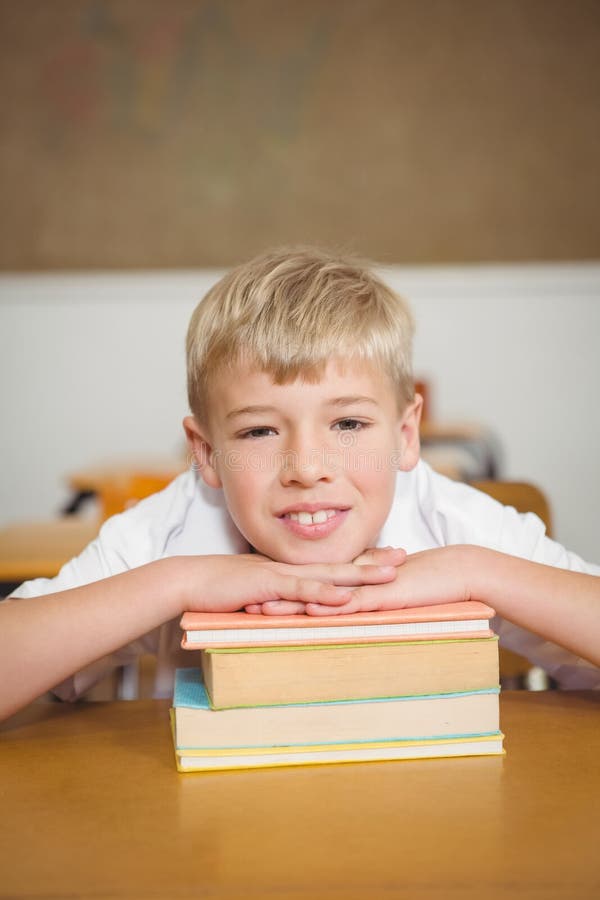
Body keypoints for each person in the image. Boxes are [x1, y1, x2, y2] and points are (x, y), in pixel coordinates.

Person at [1, 247, 599, 721]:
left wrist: (477, 572)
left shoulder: (452, 522)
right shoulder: (174, 528)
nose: (307, 468)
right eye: (259, 431)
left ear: (405, 434)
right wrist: (178, 583)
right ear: (206, 453)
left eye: (348, 424)